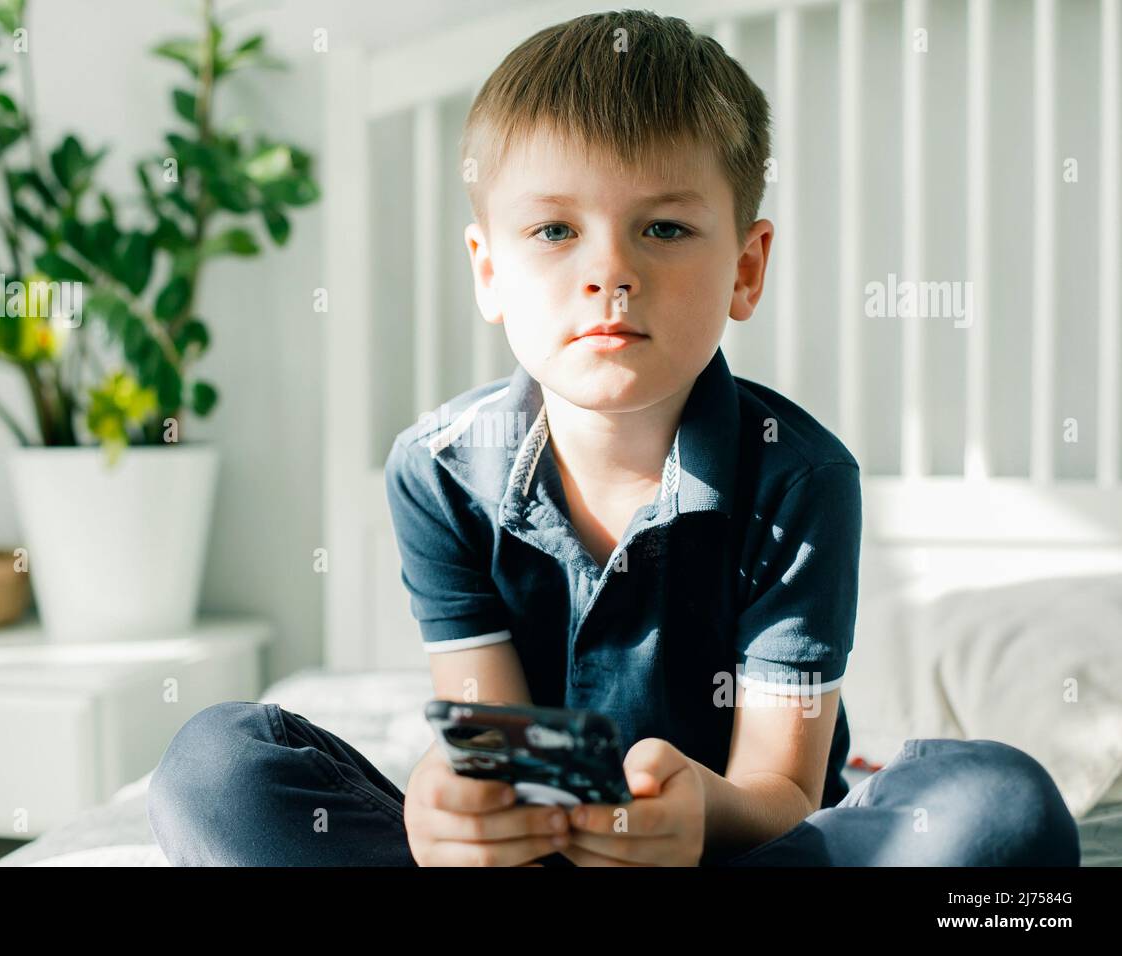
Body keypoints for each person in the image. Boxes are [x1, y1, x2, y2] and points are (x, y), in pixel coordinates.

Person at [147, 10, 1079, 867]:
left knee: (1003, 810)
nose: (610, 272)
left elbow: (784, 792)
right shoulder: (438, 472)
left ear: (746, 269)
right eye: (554, 229)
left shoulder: (801, 476)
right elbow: (491, 739)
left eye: (664, 227)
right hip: (533, 855)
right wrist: (452, 817)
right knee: (215, 772)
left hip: (736, 849)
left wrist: (696, 818)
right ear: (489, 271)